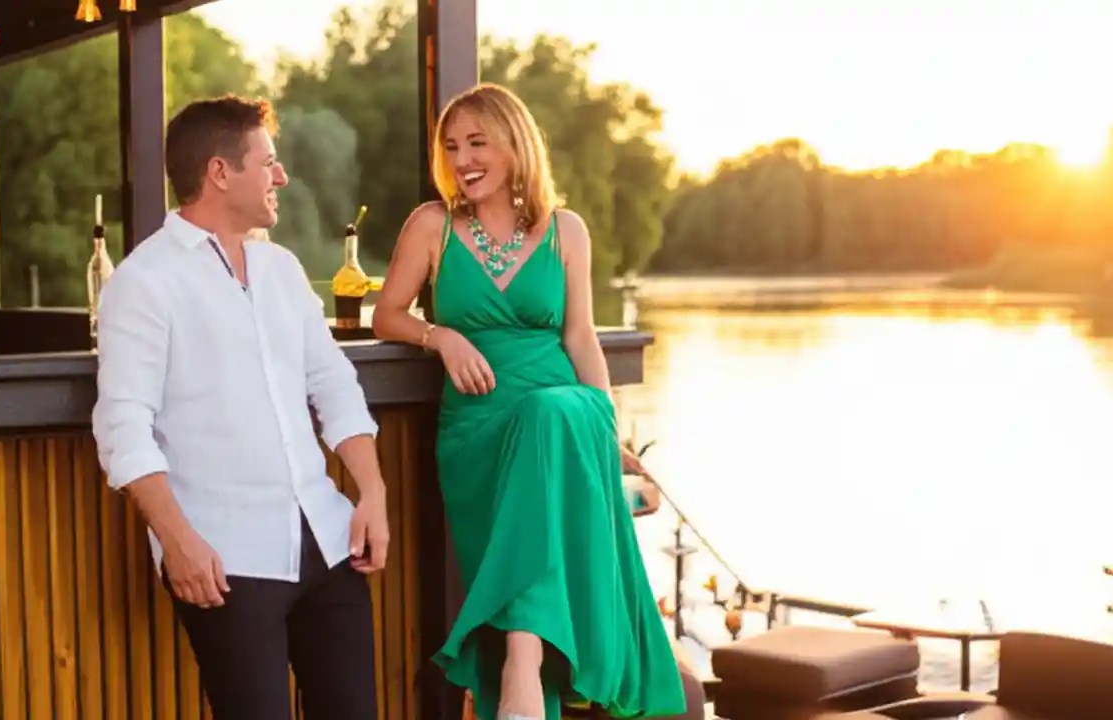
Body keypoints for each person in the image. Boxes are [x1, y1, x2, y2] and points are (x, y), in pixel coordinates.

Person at [373, 82, 687, 720]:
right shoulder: (433, 225)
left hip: (561, 415)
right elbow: (385, 315)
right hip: (481, 432)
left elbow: (580, 337)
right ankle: (525, 669)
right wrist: (442, 336)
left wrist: (610, 433)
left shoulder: (565, 230)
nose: (463, 159)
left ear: (515, 145)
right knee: (544, 427)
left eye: (478, 143)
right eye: (453, 147)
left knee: (553, 412)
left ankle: (523, 662)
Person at [91, 95, 389, 720]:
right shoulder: (143, 283)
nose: (281, 177)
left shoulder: (283, 270)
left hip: (329, 545)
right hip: (225, 560)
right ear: (220, 173)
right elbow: (124, 428)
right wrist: (175, 540)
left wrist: (373, 493)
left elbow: (333, 383)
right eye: (269, 163)